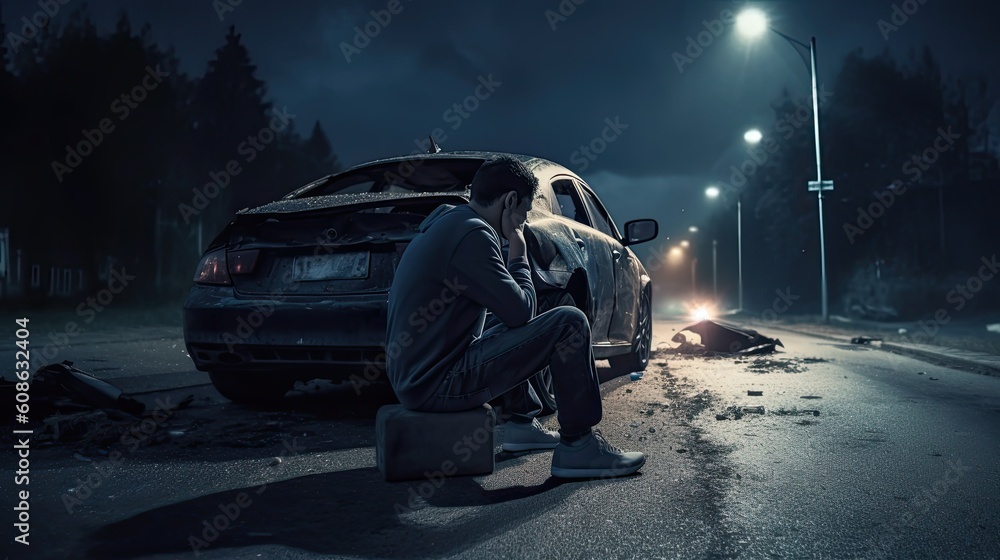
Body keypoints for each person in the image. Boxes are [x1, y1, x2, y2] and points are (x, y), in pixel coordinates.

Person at [385, 155, 645, 479]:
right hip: (436, 384)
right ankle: (578, 447)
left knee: (503, 320)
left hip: (416, 377)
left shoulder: (452, 222)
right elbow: (522, 312)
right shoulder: (474, 235)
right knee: (570, 323)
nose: (523, 220)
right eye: (524, 211)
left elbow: (511, 315)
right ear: (510, 201)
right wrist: (518, 249)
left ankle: (522, 424)